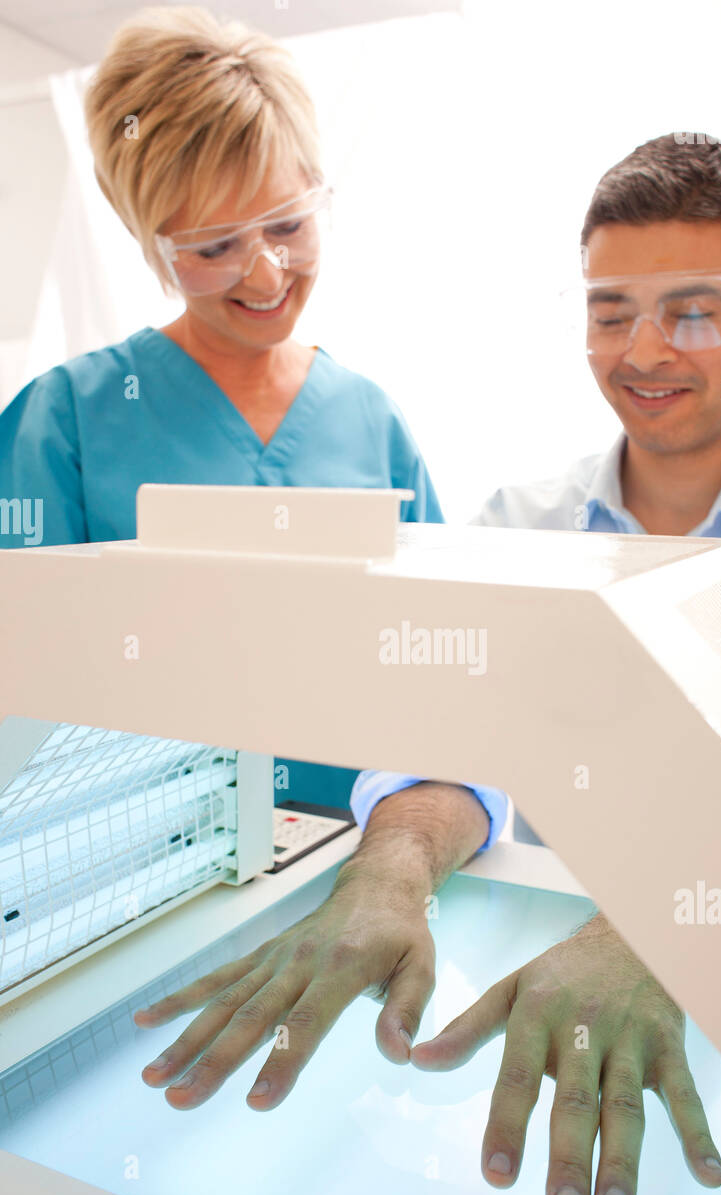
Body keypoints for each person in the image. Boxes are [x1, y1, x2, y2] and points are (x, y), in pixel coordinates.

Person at [136, 133, 721, 1195]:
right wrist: (395, 865)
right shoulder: (520, 523)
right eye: (609, 309)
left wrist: (657, 934)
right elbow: (447, 739)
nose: (644, 348)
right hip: (520, 996)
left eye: (694, 309)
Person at [0, 6, 456, 812]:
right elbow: (22, 709)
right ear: (151, 242)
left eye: (288, 225)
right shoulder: (63, 422)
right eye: (214, 248)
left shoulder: (370, 421)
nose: (266, 274)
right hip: (131, 879)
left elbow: (447, 674)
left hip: (349, 861)